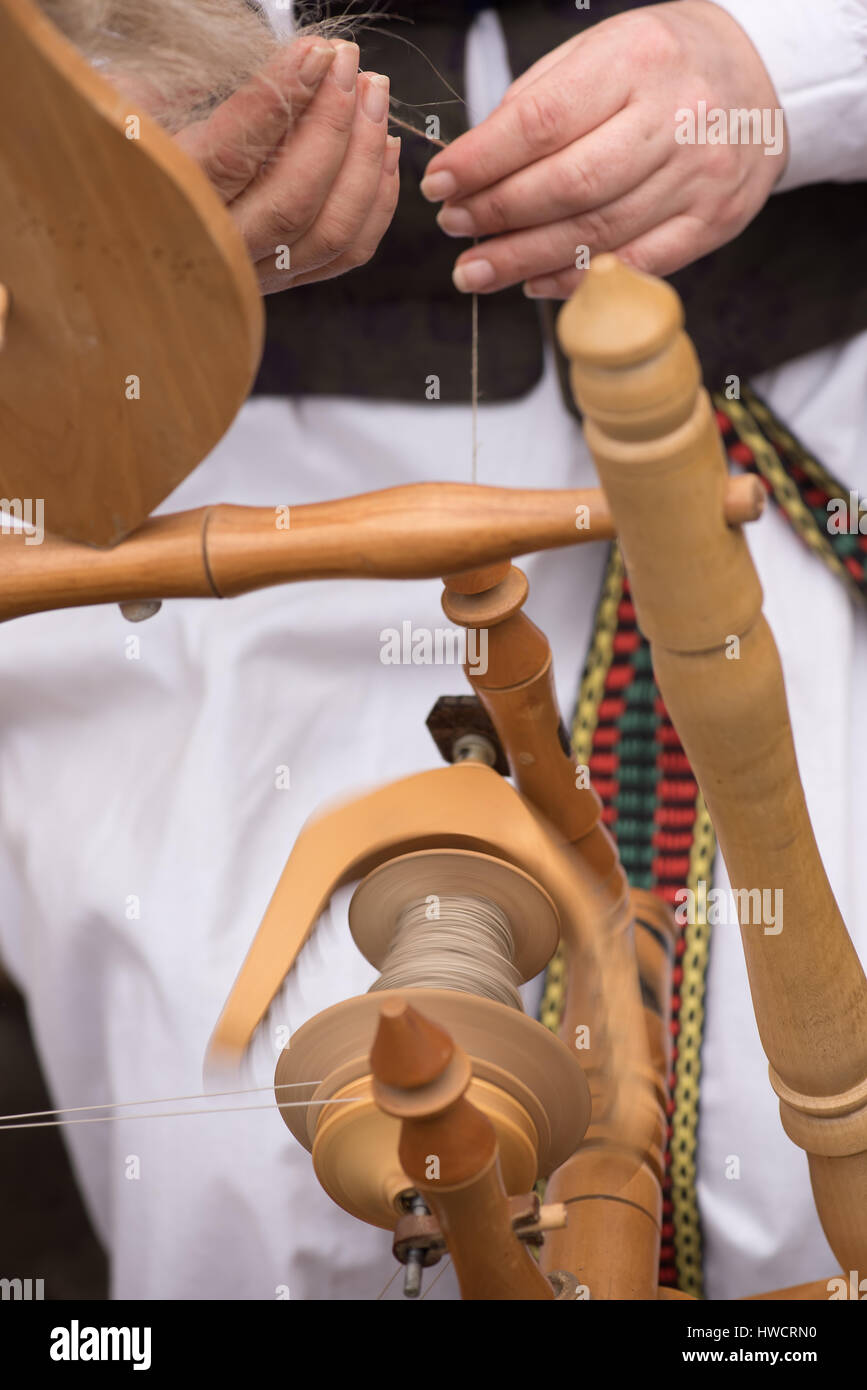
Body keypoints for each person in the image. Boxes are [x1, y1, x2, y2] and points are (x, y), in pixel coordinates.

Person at [1, 0, 866, 1301]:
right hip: (226, 454)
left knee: (786, 1160)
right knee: (246, 1156)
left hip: (790, 378)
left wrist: (779, 71)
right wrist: (87, 174)